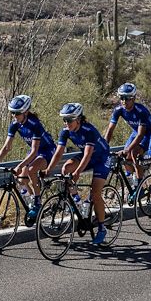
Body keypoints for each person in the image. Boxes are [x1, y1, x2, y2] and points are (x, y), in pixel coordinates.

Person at [46, 102, 113, 245]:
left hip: (102, 158)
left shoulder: (89, 130)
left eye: (69, 120)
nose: (66, 123)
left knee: (95, 193)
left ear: (78, 119)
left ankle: (102, 229)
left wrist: (78, 172)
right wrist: (48, 170)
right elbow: (58, 153)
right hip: (87, 157)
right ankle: (78, 200)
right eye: (64, 120)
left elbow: (88, 155)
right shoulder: (65, 131)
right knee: (66, 169)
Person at [0, 95, 56, 226]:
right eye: (12, 112)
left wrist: (20, 165)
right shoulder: (15, 124)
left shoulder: (35, 124)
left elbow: (35, 151)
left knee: (31, 170)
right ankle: (32, 200)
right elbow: (7, 147)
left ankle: (37, 202)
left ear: (25, 112)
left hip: (47, 150)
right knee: (21, 180)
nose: (14, 115)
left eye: (17, 113)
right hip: (34, 152)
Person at [103, 82, 151, 201]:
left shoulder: (141, 111)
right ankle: (135, 181)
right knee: (125, 159)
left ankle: (140, 186)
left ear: (134, 98)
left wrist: (128, 149)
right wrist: (104, 147)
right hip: (136, 132)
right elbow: (110, 129)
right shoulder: (119, 110)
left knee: (132, 153)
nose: (124, 101)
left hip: (148, 133)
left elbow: (141, 134)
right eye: (121, 98)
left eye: (127, 98)